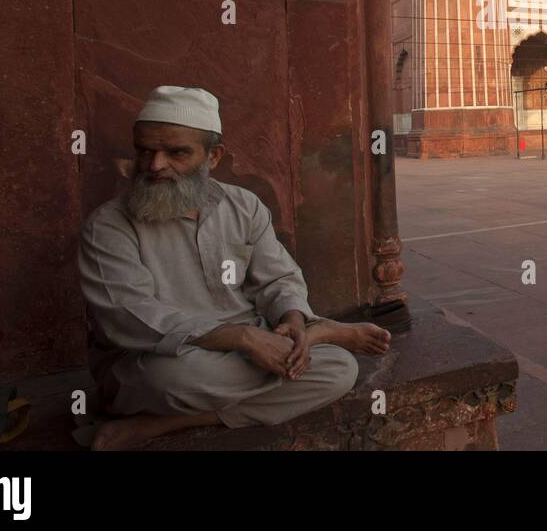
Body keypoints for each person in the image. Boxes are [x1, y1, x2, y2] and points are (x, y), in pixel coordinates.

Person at [77, 86, 391, 451]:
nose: (155, 165)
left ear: (213, 158)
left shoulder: (244, 206)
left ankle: (167, 423)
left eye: (176, 152)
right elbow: (130, 316)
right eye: (145, 150)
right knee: (172, 380)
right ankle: (317, 335)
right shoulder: (109, 226)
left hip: (254, 343)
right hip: (160, 358)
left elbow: (278, 278)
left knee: (339, 370)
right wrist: (241, 338)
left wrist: (291, 318)